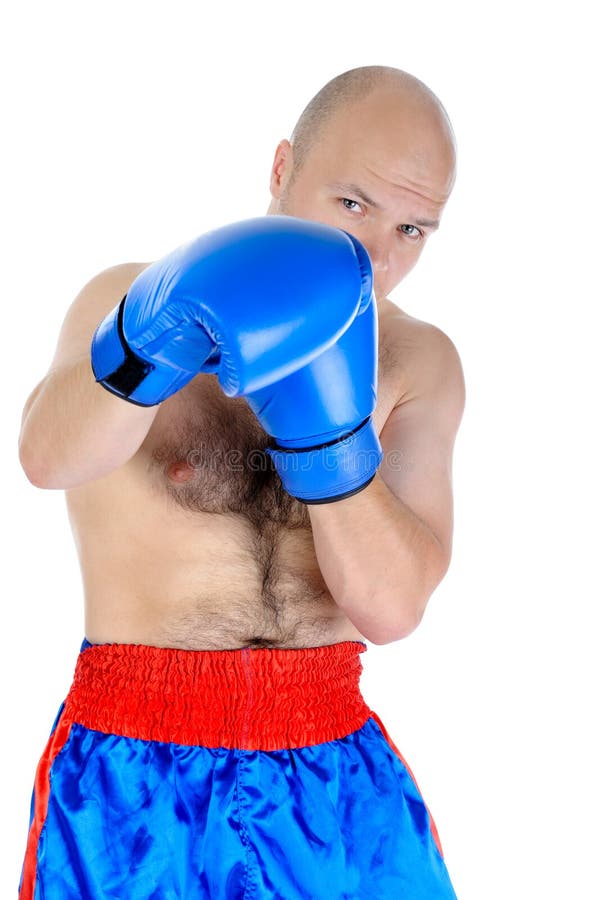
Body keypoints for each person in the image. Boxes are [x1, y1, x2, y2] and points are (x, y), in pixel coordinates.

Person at [17, 65, 464, 898]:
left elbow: (391, 608)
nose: (376, 255)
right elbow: (47, 457)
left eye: (412, 229)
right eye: (354, 204)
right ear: (281, 167)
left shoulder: (416, 361)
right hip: (136, 766)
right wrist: (150, 341)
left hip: (330, 766)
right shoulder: (129, 296)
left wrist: (331, 441)